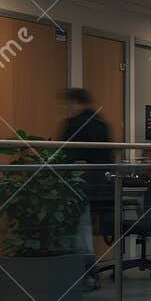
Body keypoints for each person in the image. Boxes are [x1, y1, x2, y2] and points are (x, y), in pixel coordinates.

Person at [58, 88, 112, 280]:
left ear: (78, 103)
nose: (69, 108)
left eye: (71, 104)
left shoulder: (74, 125)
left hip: (78, 184)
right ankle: (87, 272)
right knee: (84, 228)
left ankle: (86, 273)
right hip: (100, 186)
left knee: (79, 228)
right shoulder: (102, 125)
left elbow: (64, 155)